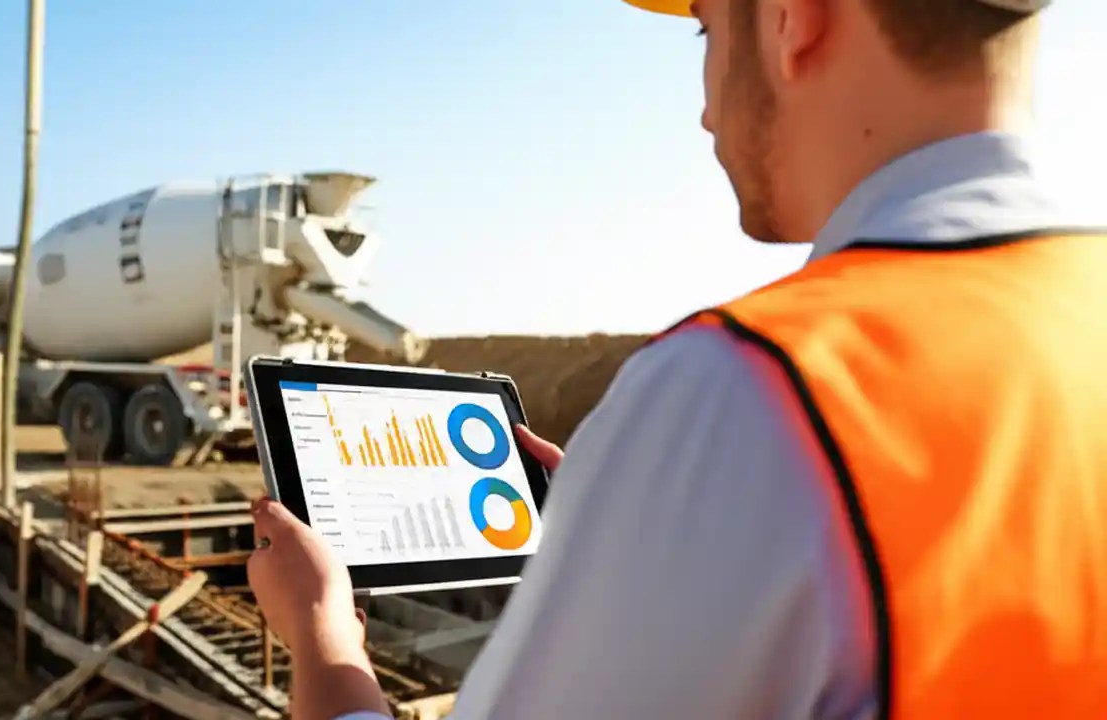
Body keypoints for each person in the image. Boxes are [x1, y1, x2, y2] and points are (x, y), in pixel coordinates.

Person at [246, 0, 1107, 717]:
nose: (701, 106)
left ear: (792, 20)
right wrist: (648, 523)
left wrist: (324, 641)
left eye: (705, 28)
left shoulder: (746, 392)